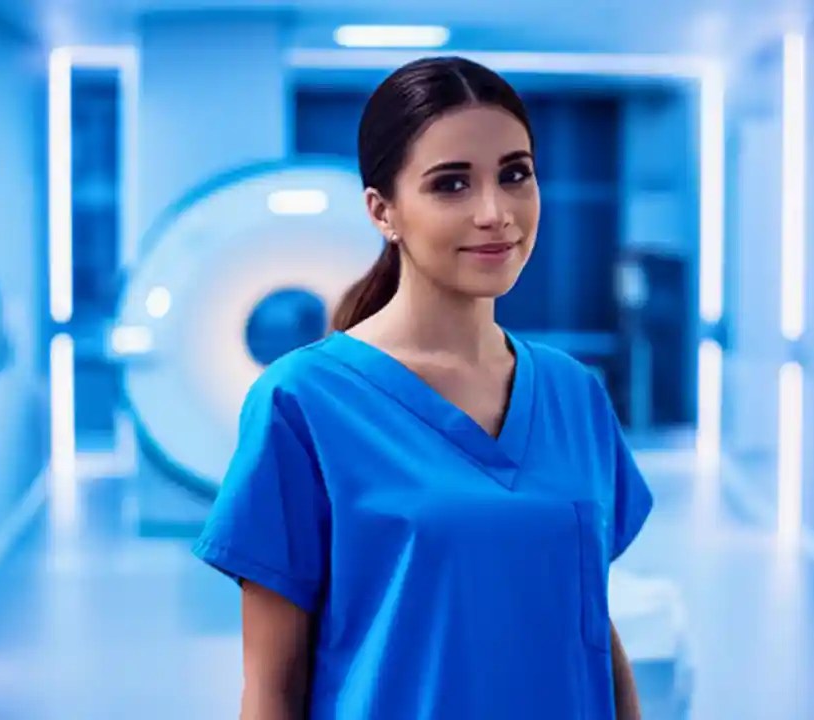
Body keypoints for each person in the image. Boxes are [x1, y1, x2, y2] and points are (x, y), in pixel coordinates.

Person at [193, 56, 653, 719]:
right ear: (384, 212)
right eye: (451, 185)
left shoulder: (572, 394)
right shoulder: (304, 402)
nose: (495, 213)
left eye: (515, 175)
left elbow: (592, 633)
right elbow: (270, 691)